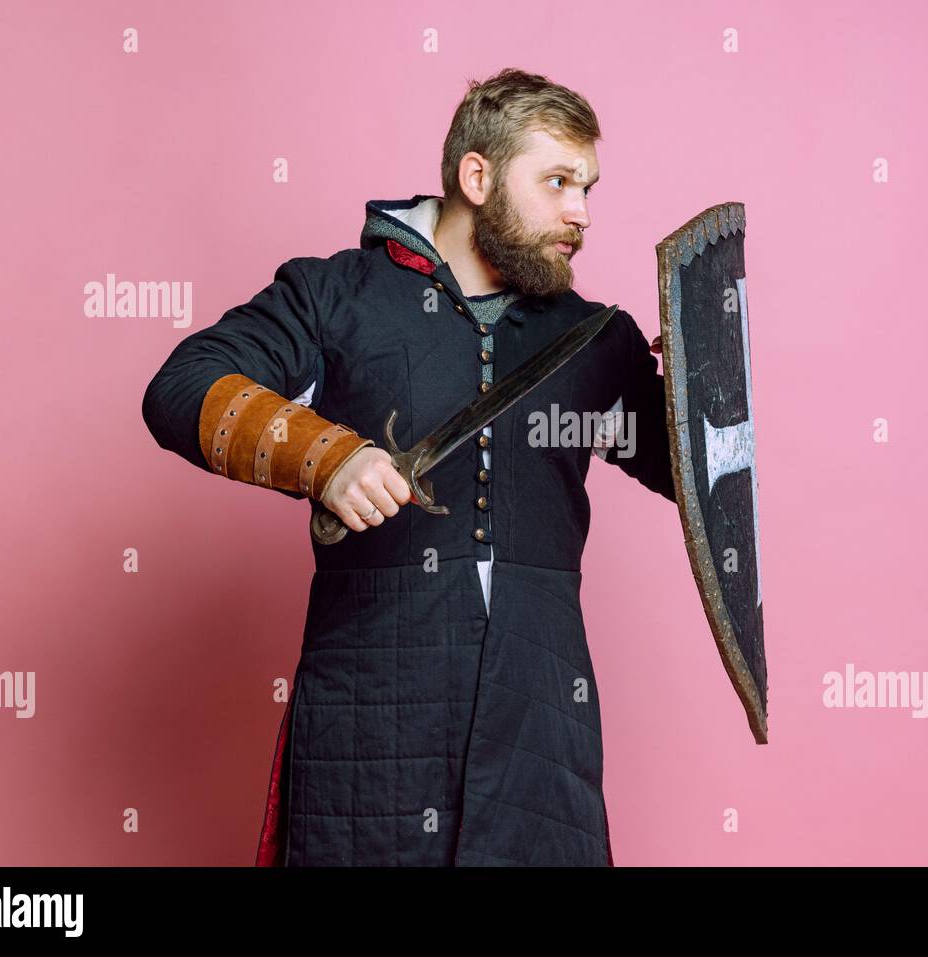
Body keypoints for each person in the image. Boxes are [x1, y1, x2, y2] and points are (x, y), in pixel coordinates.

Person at [141, 67, 675, 866]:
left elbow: (701, 483)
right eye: (559, 182)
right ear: (477, 177)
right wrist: (325, 455)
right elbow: (180, 386)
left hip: (540, 726)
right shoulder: (336, 295)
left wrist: (702, 385)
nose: (581, 213)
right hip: (372, 720)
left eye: (589, 187)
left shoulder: (596, 339)